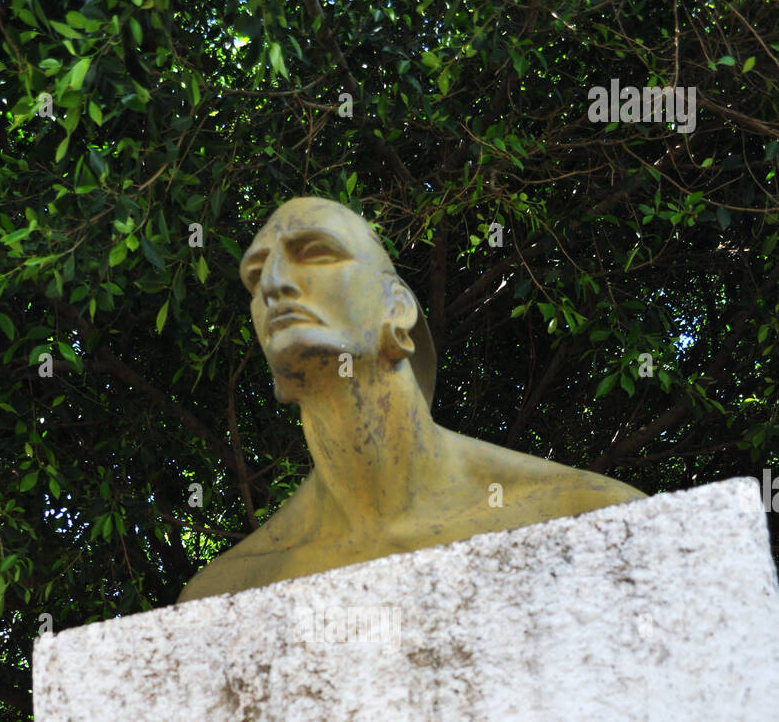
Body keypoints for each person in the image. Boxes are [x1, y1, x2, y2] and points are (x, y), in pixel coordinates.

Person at [178, 197, 643, 603]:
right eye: (255, 275)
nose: (273, 284)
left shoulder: (584, 518)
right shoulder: (225, 592)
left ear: (397, 307)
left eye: (315, 253)